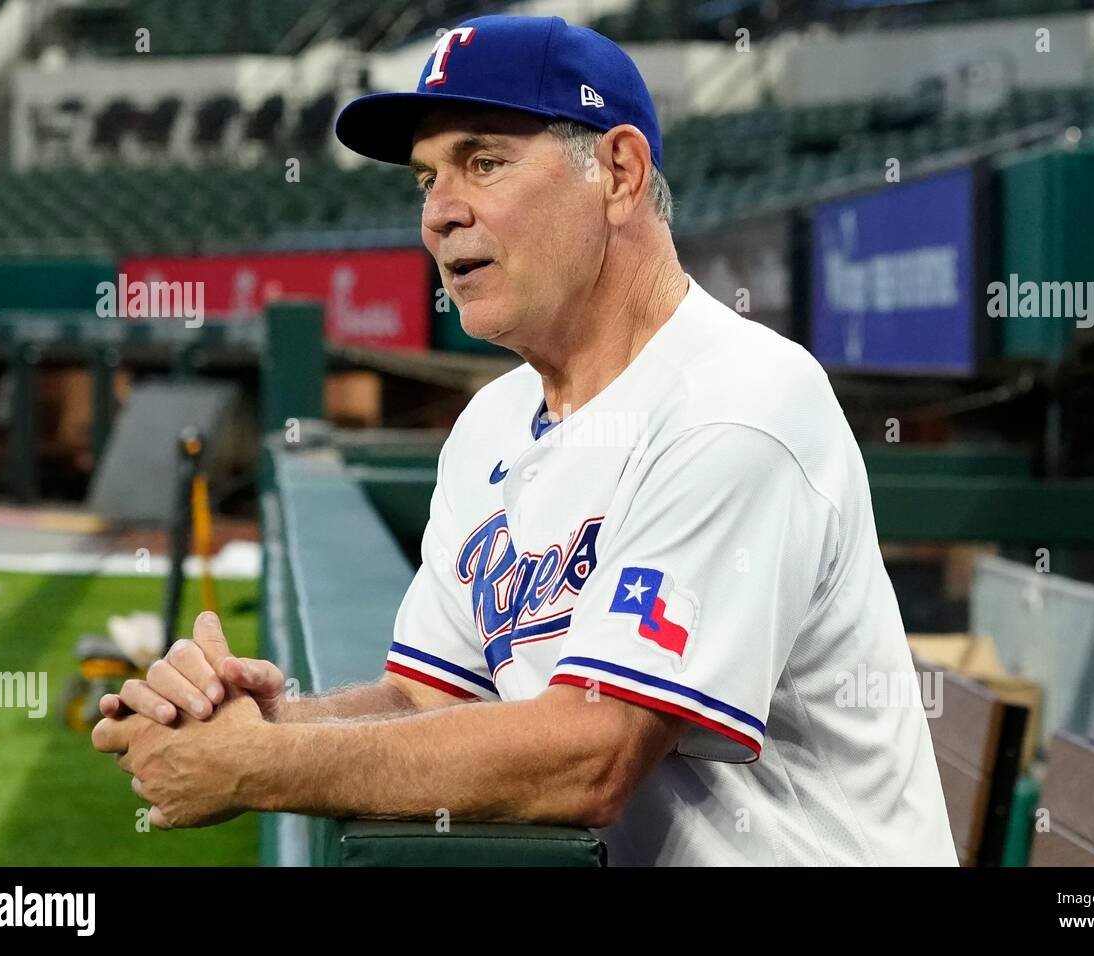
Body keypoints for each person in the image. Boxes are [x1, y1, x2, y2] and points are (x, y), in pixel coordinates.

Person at [94, 14, 957, 866]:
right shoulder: (493, 421)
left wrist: (260, 765)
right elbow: (426, 697)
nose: (439, 213)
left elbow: (595, 754)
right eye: (427, 179)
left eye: (485, 161)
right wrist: (262, 719)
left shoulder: (739, 401)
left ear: (618, 172)